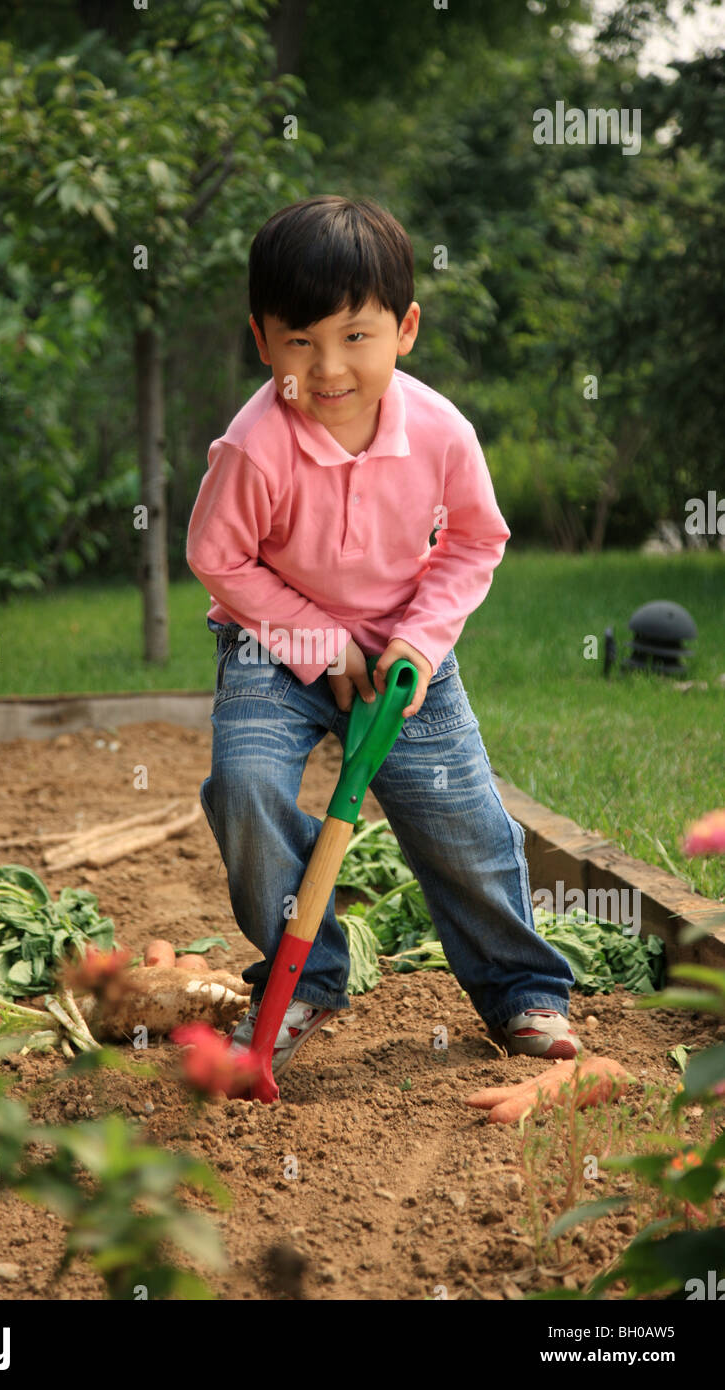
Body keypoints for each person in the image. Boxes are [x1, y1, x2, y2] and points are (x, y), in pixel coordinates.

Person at [186, 194, 579, 1082]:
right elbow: (216, 557)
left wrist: (418, 643)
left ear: (404, 329)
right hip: (273, 652)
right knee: (244, 786)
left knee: (462, 826)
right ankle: (307, 977)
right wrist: (318, 644)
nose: (327, 369)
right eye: (300, 342)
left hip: (408, 659)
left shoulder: (442, 433)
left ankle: (522, 989)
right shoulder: (256, 446)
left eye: (354, 337)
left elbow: (478, 541)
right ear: (263, 340)